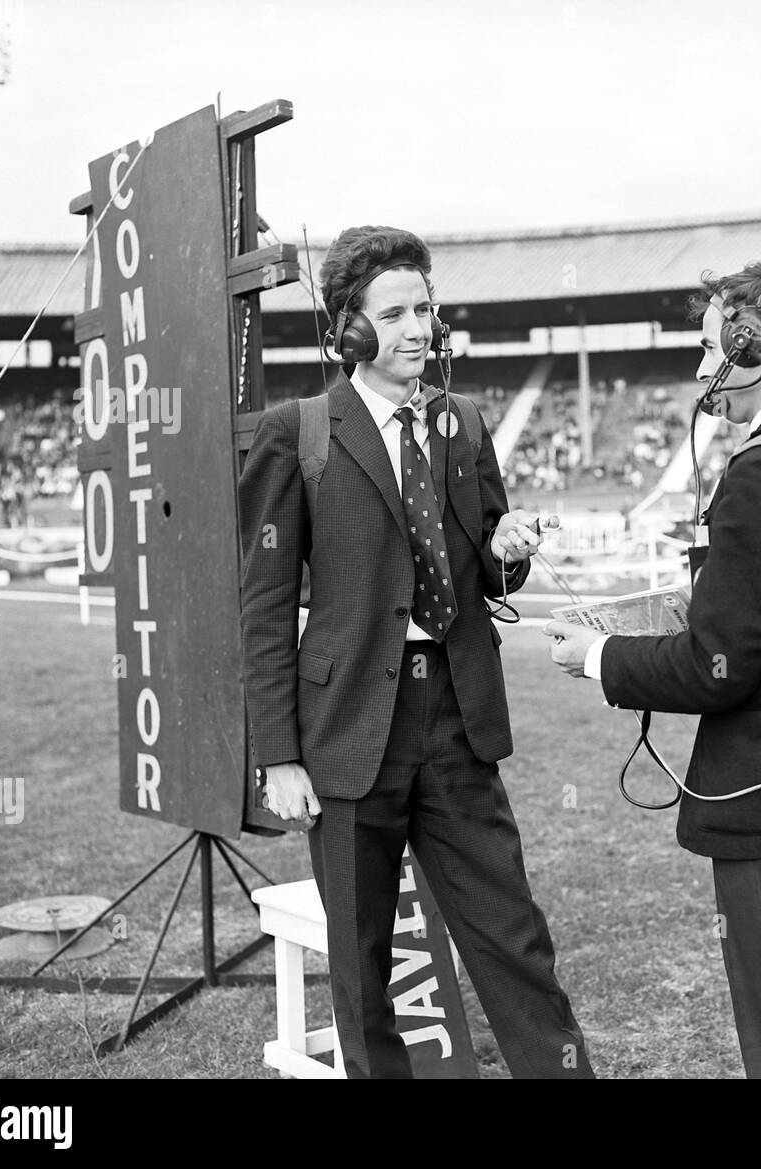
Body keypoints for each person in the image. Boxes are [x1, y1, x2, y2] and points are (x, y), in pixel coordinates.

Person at [237, 225, 592, 1080]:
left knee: (513, 937)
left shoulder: (464, 423)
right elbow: (263, 605)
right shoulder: (297, 433)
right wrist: (278, 754)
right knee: (362, 971)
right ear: (348, 330)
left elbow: (486, 563)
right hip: (349, 729)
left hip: (459, 719)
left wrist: (509, 545)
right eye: (392, 312)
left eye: (424, 308)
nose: (416, 327)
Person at [547, 260, 761, 1078]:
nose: (702, 368)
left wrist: (600, 657)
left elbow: (718, 666)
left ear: (756, 341)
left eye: (711, 346)